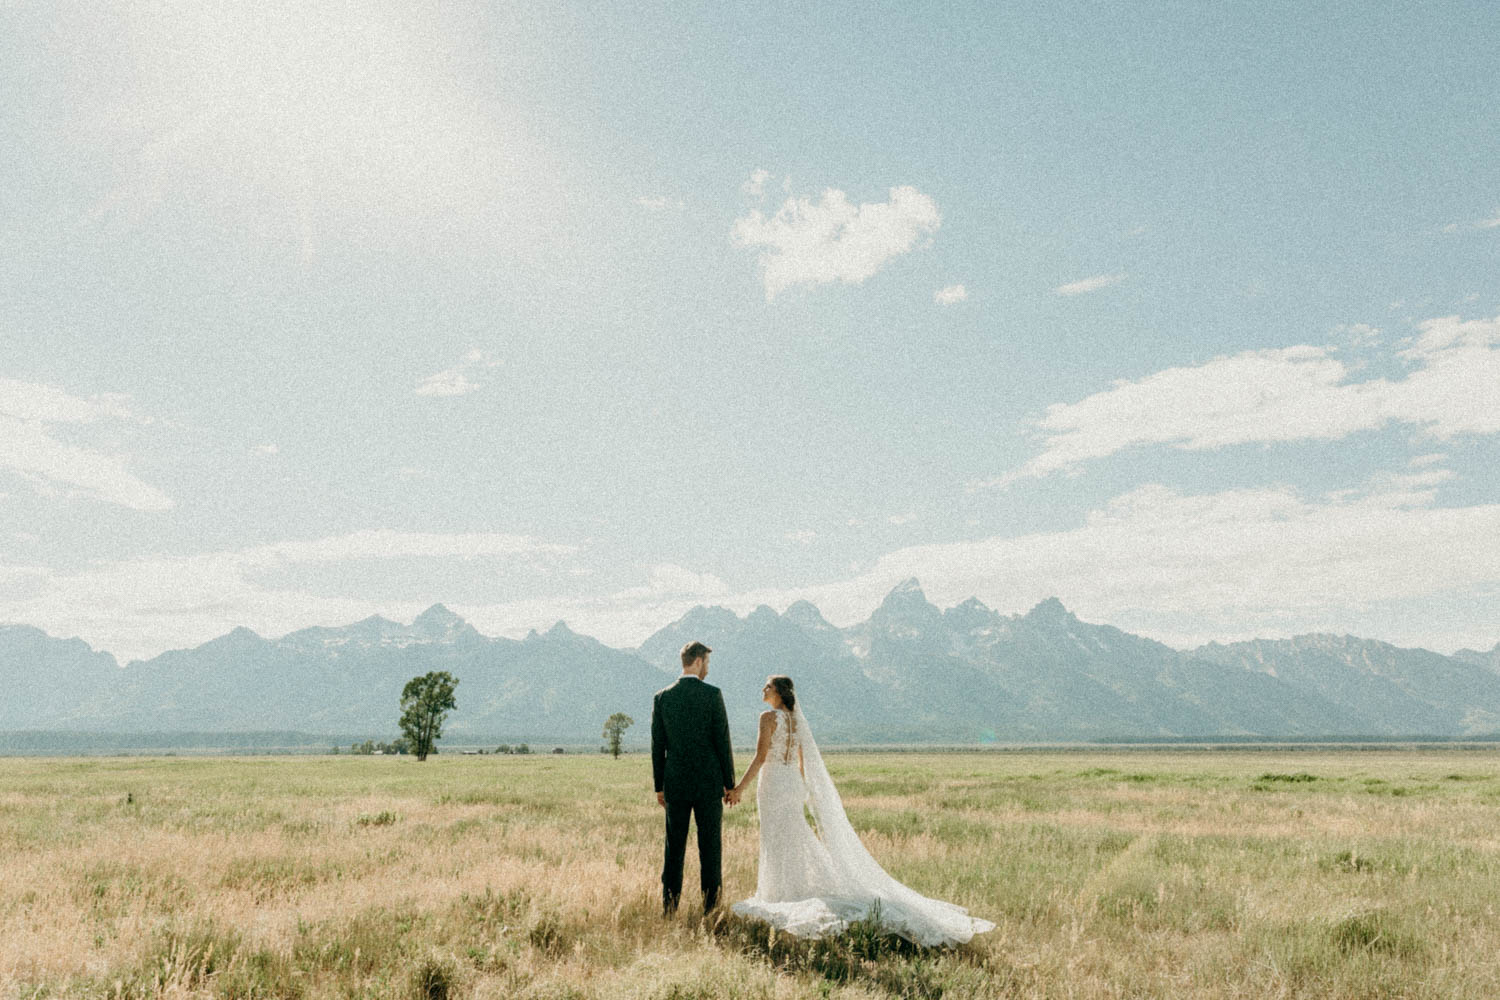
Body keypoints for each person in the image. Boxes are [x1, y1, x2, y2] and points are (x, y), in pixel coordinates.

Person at [728, 674, 995, 946]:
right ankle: (788, 889)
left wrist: (739, 788)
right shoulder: (797, 722)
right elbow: (801, 764)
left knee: (776, 838)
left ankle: (777, 893)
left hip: (773, 784)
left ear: (780, 693)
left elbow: (761, 757)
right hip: (793, 785)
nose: (764, 689)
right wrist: (801, 787)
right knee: (794, 836)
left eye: (768, 686)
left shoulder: (767, 718)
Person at [651, 640, 736, 915]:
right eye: (707, 663)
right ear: (698, 661)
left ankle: (669, 909)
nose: (708, 669)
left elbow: (657, 746)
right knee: (710, 849)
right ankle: (711, 910)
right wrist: (730, 783)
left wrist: (659, 787)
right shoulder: (712, 695)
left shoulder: (662, 697)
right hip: (709, 784)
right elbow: (722, 742)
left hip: (675, 783)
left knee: (673, 849)